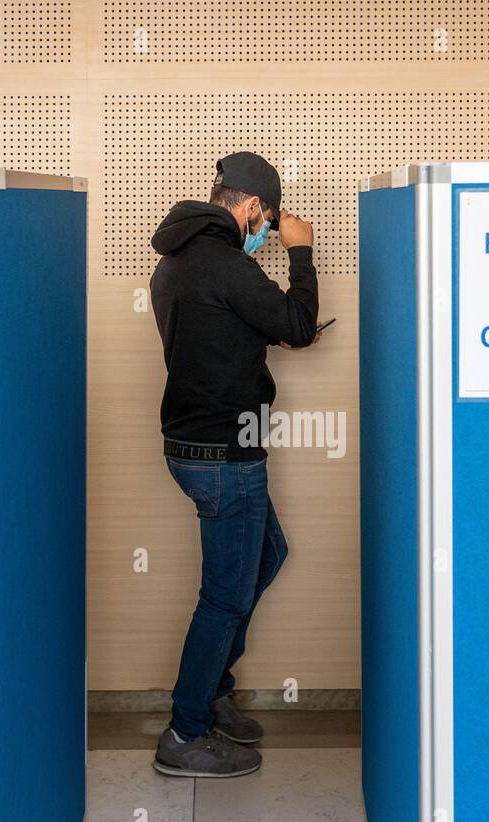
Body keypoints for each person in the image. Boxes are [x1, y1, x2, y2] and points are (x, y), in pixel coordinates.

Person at [148, 151, 321, 777]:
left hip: (191, 445)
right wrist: (300, 252)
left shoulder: (174, 261)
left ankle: (213, 691)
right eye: (268, 223)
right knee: (222, 599)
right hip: (227, 454)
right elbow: (300, 326)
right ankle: (185, 732)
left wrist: (253, 332)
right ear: (251, 208)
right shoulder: (226, 265)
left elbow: (210, 334)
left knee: (266, 556)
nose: (268, 234)